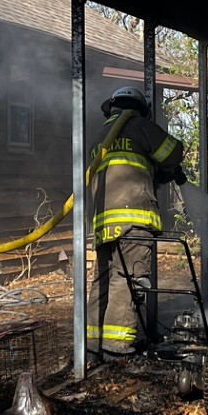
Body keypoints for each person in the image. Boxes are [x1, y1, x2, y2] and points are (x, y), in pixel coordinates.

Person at [89, 84, 184, 358]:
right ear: (140, 109)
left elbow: (129, 168)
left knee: (104, 280)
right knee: (129, 278)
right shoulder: (139, 126)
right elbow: (173, 152)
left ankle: (93, 344)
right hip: (134, 219)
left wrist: (156, 173)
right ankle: (116, 346)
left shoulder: (99, 136)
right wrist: (169, 167)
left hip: (104, 224)